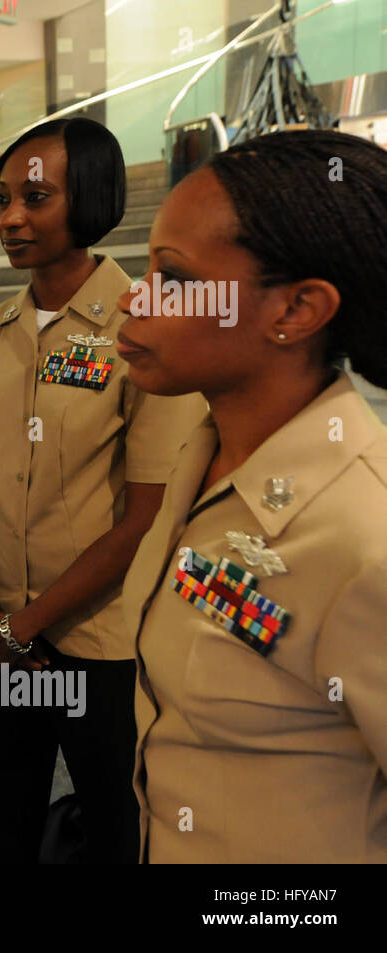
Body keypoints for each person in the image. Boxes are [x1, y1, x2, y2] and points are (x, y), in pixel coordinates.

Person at [118, 129, 387, 863]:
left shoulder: (366, 535)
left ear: (296, 310)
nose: (131, 298)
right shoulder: (206, 453)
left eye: (172, 278)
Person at [0, 117, 205, 864]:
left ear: (88, 198)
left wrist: (26, 625)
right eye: (1, 200)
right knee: (2, 801)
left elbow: (146, 517)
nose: (10, 218)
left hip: (94, 642)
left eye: (35, 197)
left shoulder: (143, 332)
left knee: (117, 815)